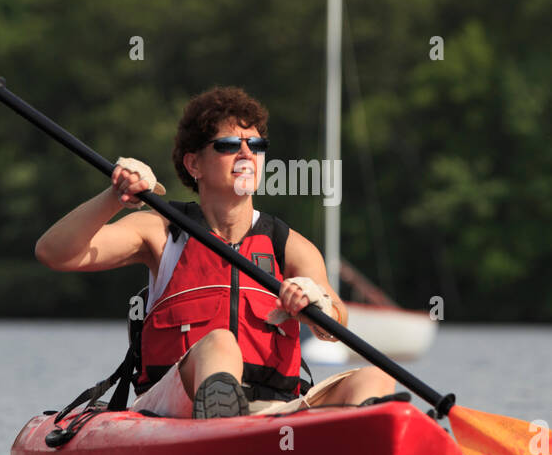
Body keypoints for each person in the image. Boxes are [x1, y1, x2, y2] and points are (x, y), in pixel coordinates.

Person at [34, 86, 396, 418]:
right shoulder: (161, 230)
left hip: (273, 411)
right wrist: (114, 197)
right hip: (175, 407)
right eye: (228, 145)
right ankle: (222, 418)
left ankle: (366, 448)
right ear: (194, 165)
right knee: (221, 343)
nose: (245, 155)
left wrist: (316, 303)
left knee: (374, 379)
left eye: (256, 146)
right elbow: (55, 252)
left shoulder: (289, 245)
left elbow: (336, 323)